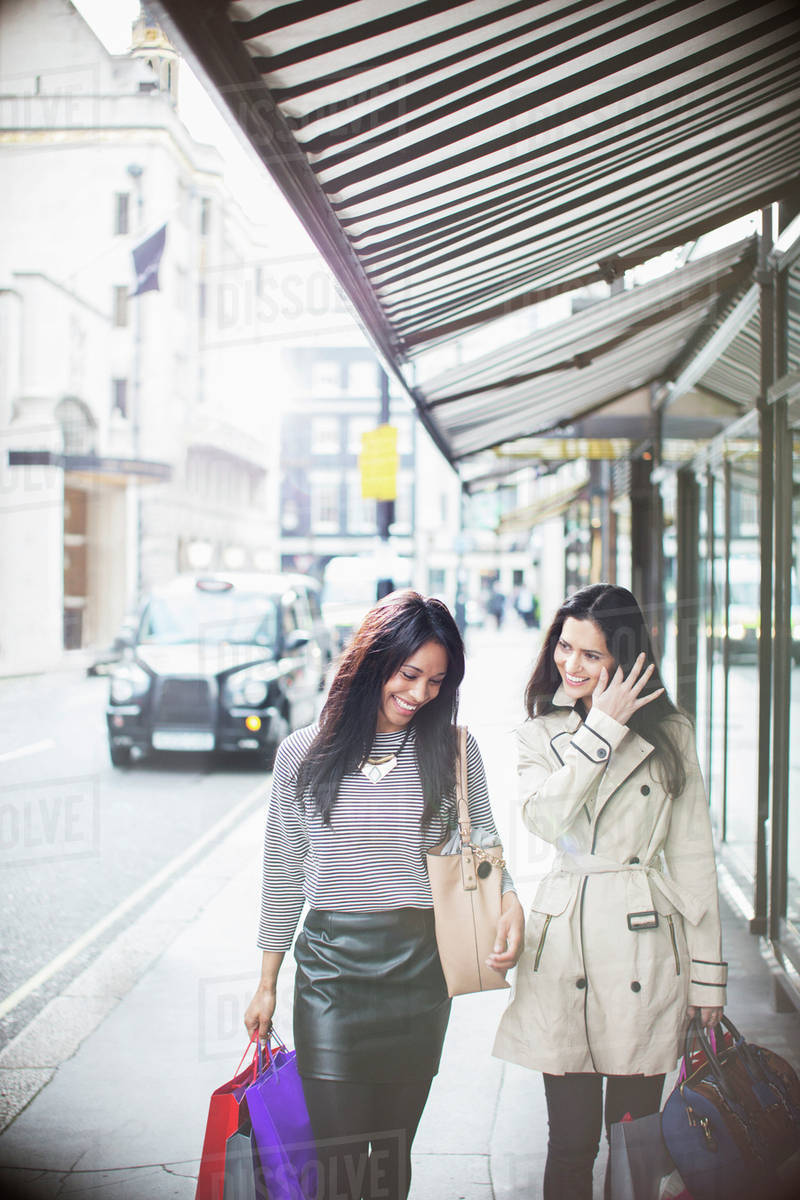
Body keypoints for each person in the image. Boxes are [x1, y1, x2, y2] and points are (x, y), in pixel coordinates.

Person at [245, 589, 524, 1200]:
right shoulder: (302, 752)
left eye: (436, 681)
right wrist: (267, 980)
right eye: (410, 674)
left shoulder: (451, 750)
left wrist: (511, 902)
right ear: (373, 661)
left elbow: (486, 845)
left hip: (420, 976)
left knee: (390, 1166)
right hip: (331, 975)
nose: (420, 694)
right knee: (341, 1167)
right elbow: (284, 870)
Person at [493, 583, 726, 1200]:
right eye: (565, 646)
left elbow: (694, 859)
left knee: (634, 1147)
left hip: (645, 947)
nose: (571, 664)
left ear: (624, 661)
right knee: (569, 1145)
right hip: (564, 944)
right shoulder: (538, 733)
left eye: (591, 656)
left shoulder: (671, 733)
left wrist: (709, 982)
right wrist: (600, 728)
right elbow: (543, 819)